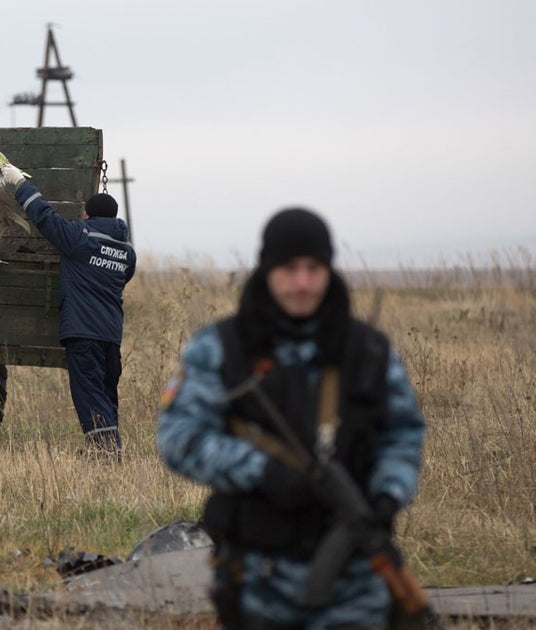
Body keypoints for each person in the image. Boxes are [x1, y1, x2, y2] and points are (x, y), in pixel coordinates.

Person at [156, 208, 428, 629]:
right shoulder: (222, 349)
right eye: (288, 268)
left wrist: (387, 494)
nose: (302, 283)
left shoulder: (368, 351)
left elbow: (403, 433)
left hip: (356, 583)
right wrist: (262, 471)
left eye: (313, 268)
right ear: (267, 269)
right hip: (258, 578)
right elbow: (178, 437)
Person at [0, 164, 136, 457]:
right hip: (111, 334)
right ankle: (111, 448)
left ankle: (104, 452)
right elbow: (123, 277)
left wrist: (18, 181)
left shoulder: (79, 238)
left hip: (83, 332)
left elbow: (43, 215)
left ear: (87, 215)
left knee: (89, 392)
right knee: (105, 392)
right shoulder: (127, 252)